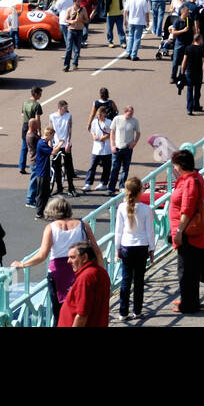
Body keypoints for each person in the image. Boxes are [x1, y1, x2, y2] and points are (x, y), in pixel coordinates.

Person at [8, 197, 102, 322]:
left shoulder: (51, 228)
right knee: (81, 305)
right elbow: (96, 250)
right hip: (80, 269)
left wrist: (23, 264)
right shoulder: (83, 225)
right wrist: (101, 273)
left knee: (60, 312)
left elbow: (42, 255)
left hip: (58, 274)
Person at [169, 148, 204, 314]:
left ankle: (189, 304)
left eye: (175, 165)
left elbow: (187, 208)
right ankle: (188, 298)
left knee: (186, 270)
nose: (174, 168)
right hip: (189, 232)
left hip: (187, 233)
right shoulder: (193, 178)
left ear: (181, 165)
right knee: (189, 269)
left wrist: (179, 231)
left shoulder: (189, 182)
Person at [113, 176, 155, 321]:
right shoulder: (146, 209)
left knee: (126, 280)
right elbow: (150, 231)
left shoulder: (121, 208)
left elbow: (118, 230)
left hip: (126, 246)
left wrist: (117, 248)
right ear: (140, 191)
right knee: (139, 280)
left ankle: (123, 312)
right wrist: (152, 249)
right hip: (142, 246)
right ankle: (137, 310)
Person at [58, 241, 111, 327]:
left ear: (85, 257)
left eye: (72, 257)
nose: (68, 261)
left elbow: (82, 315)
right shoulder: (101, 271)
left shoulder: (86, 278)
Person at [107, 104, 140, 195]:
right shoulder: (117, 119)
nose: (131, 115)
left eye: (132, 113)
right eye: (130, 113)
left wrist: (134, 143)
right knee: (115, 168)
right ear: (125, 112)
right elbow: (112, 132)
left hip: (127, 149)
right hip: (117, 148)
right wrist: (112, 145)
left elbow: (138, 133)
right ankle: (111, 187)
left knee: (125, 168)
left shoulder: (134, 121)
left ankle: (121, 186)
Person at [83, 104, 112, 192]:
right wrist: (94, 136)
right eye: (98, 114)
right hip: (96, 148)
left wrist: (106, 137)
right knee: (92, 166)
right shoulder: (95, 122)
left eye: (100, 114)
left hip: (106, 148)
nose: (98, 116)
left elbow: (112, 133)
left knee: (106, 167)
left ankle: (103, 183)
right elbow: (92, 131)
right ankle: (88, 183)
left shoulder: (109, 122)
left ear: (104, 114)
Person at [19, 86, 43, 174]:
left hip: (25, 126)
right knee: (35, 148)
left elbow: (22, 114)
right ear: (36, 94)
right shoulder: (37, 105)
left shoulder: (25, 102)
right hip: (33, 126)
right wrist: (39, 130)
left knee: (24, 147)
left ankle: (22, 166)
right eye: (40, 94)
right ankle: (35, 165)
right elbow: (37, 119)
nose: (40, 96)